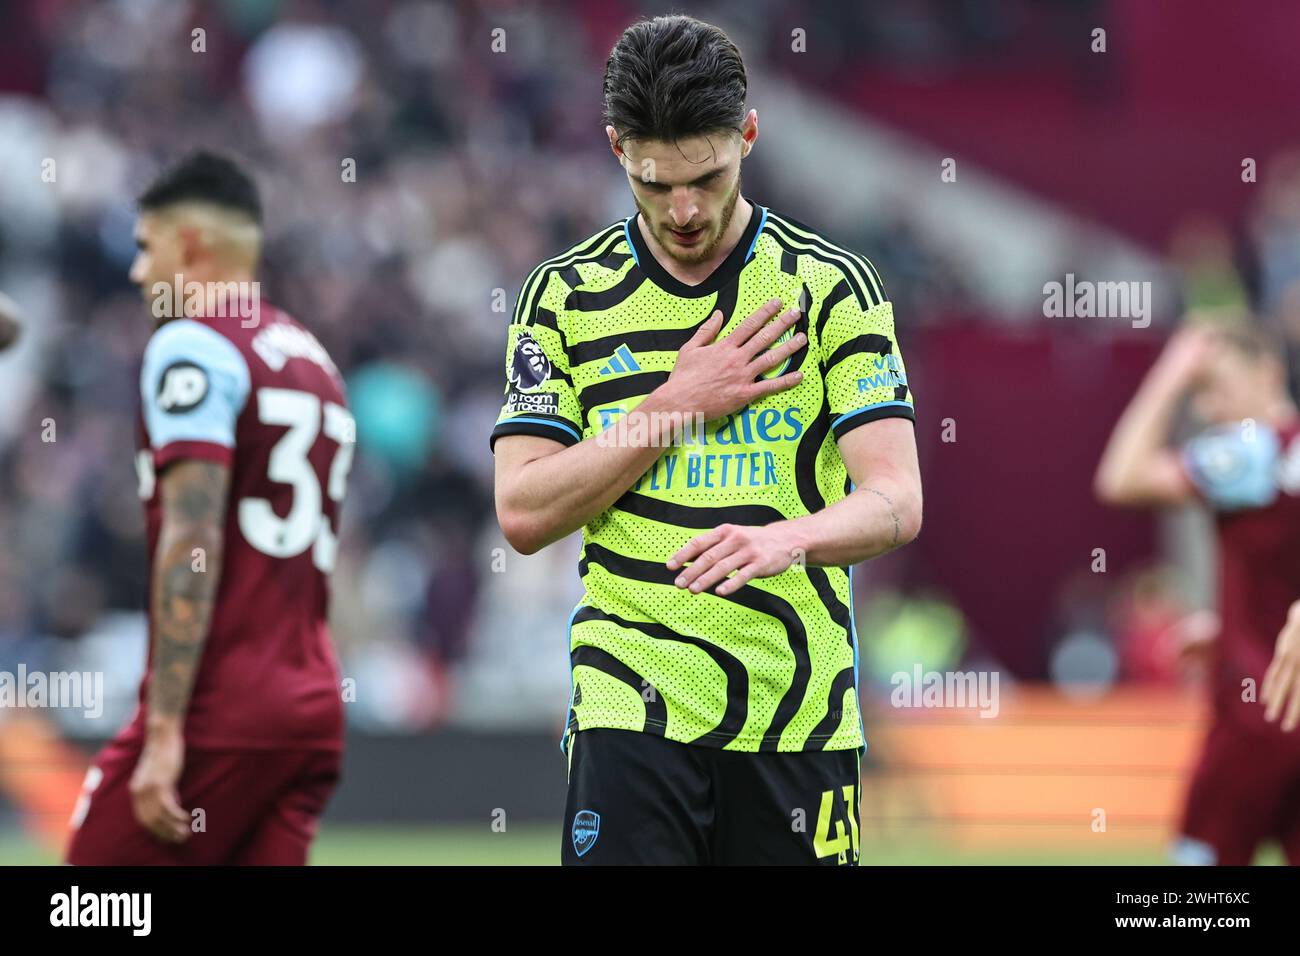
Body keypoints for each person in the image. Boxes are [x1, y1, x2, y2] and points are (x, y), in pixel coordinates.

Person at [492, 15, 922, 865]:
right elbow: (523, 509)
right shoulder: (564, 299)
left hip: (795, 709)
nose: (684, 210)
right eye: (656, 184)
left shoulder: (828, 287)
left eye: (707, 176)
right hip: (630, 703)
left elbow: (897, 499)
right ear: (618, 151)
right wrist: (674, 403)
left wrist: (788, 539)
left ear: (748, 137)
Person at [66, 152, 355, 865]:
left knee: (82, 909)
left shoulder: (192, 345)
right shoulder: (315, 359)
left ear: (189, 246)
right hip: (309, 709)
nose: (137, 274)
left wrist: (165, 728)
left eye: (144, 249)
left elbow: (194, 536)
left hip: (221, 707)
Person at [1096, 323, 1300, 864]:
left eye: (1216, 386)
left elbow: (1121, 477)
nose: (1208, 408)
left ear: (1269, 373)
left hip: (1255, 719)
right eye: (1199, 392)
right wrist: (1234, 624)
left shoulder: (1248, 454)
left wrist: (1171, 375)